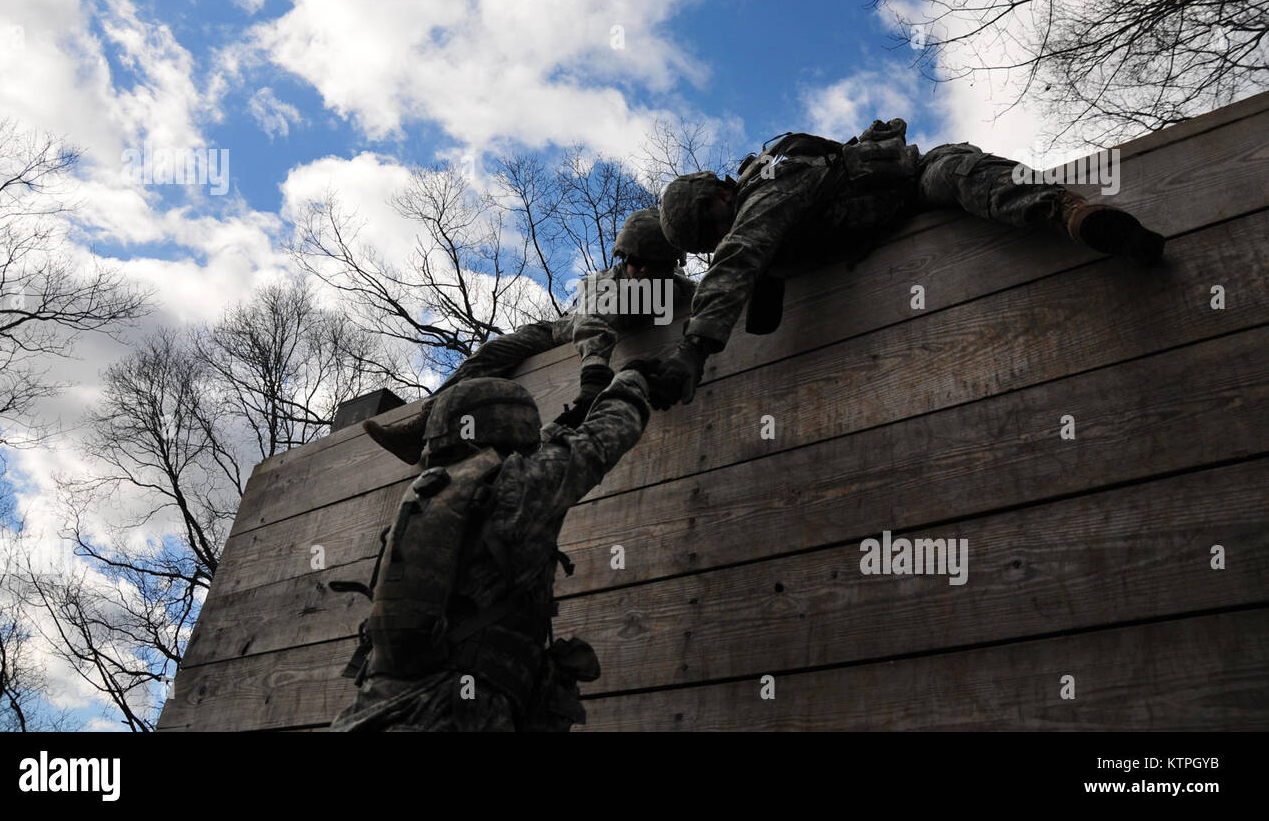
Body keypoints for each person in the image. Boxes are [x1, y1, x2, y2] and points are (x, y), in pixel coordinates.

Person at [649, 119, 1167, 409]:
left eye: (713, 219)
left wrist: (693, 350)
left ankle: (1075, 215)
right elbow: (747, 272)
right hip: (883, 222)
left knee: (964, 174)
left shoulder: (765, 187)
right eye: (707, 238)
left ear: (721, 189)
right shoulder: (752, 222)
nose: (721, 233)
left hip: (913, 180)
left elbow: (741, 253)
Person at [330, 365, 658, 731]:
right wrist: (633, 379)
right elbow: (601, 441)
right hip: (452, 713)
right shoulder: (511, 486)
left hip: (376, 711)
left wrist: (566, 421)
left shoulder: (433, 492)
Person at [363, 208, 696, 463]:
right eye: (630, 261)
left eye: (646, 265)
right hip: (559, 334)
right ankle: (424, 423)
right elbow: (592, 322)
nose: (636, 271)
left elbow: (712, 301)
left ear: (667, 264)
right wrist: (594, 379)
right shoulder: (606, 281)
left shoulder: (677, 290)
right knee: (493, 353)